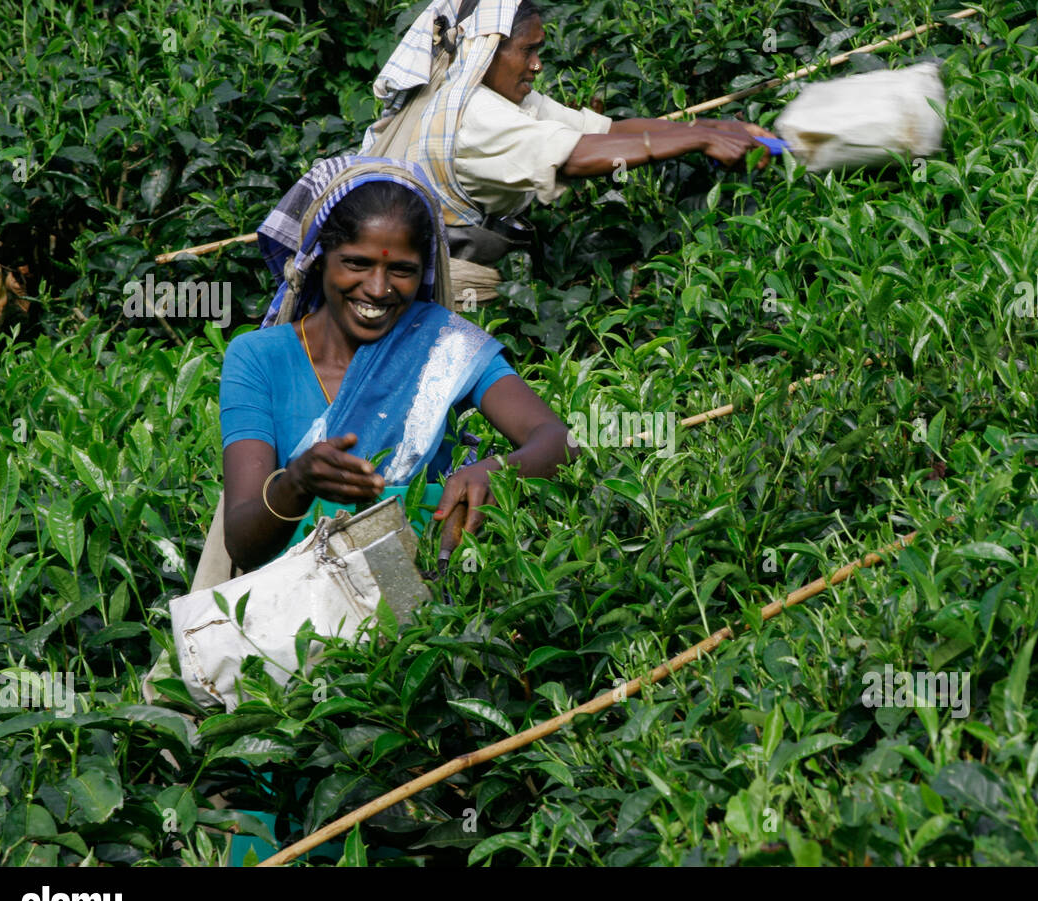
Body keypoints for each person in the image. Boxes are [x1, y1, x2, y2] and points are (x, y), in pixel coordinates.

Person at [218, 156, 572, 572]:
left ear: (424, 270)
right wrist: (297, 482)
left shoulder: (444, 342)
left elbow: (558, 440)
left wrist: (497, 471)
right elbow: (243, 545)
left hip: (431, 610)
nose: (378, 288)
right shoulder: (259, 358)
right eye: (356, 263)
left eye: (401, 270)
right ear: (320, 257)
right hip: (299, 620)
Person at [362, 0, 774, 307]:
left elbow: (607, 131)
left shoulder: (496, 99)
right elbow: (575, 154)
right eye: (528, 51)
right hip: (430, 298)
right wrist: (699, 142)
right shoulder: (471, 116)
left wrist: (717, 128)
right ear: (486, 50)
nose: (538, 66)